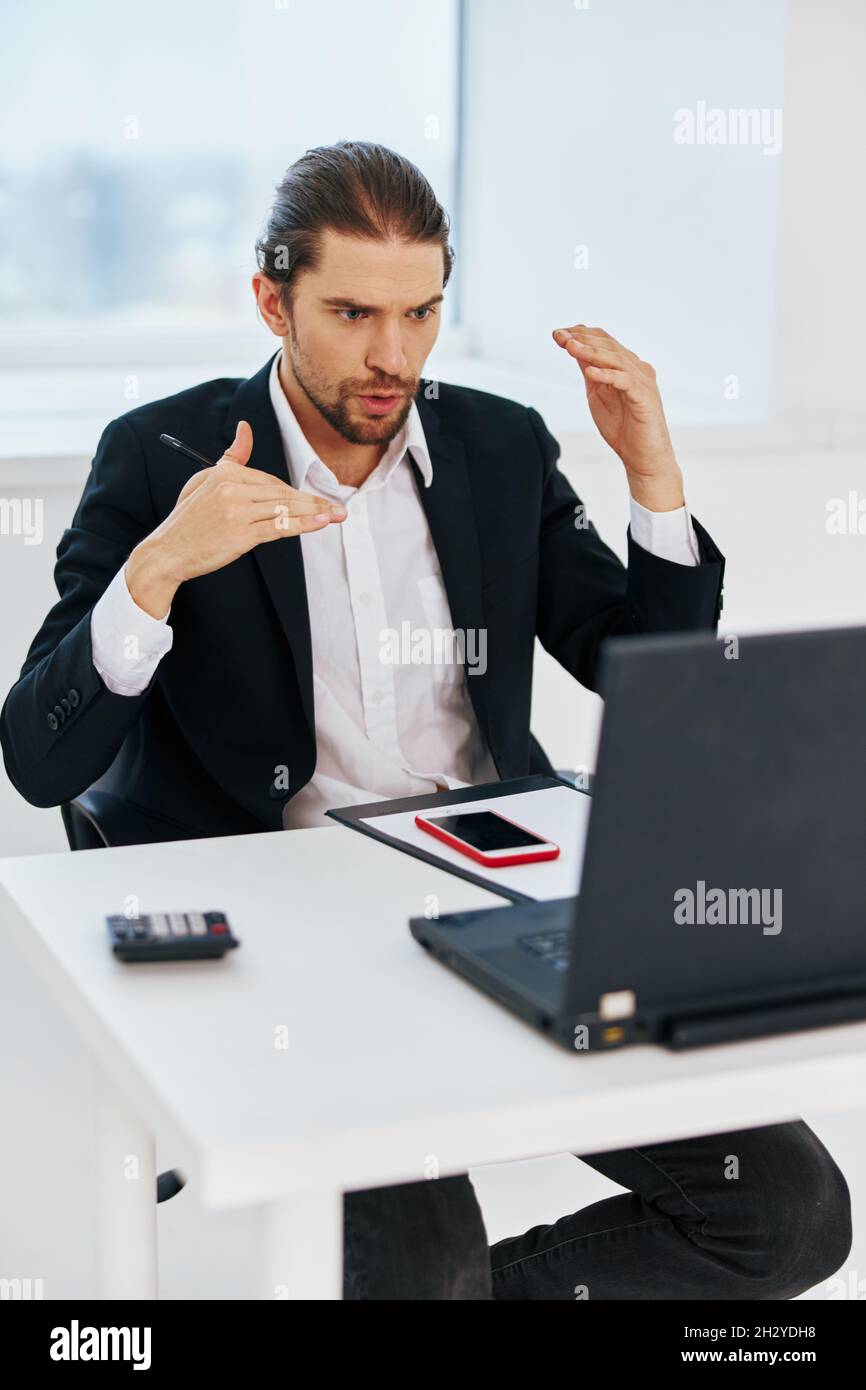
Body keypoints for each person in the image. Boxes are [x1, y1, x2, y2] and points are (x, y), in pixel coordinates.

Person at [0, 141, 850, 1299]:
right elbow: (43, 761)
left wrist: (653, 478)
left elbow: (649, 673)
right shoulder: (161, 456)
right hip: (293, 935)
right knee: (427, 1268)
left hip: (492, 893)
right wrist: (153, 573)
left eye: (420, 312)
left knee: (789, 1215)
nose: (390, 355)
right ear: (270, 300)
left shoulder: (497, 445)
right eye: (351, 313)